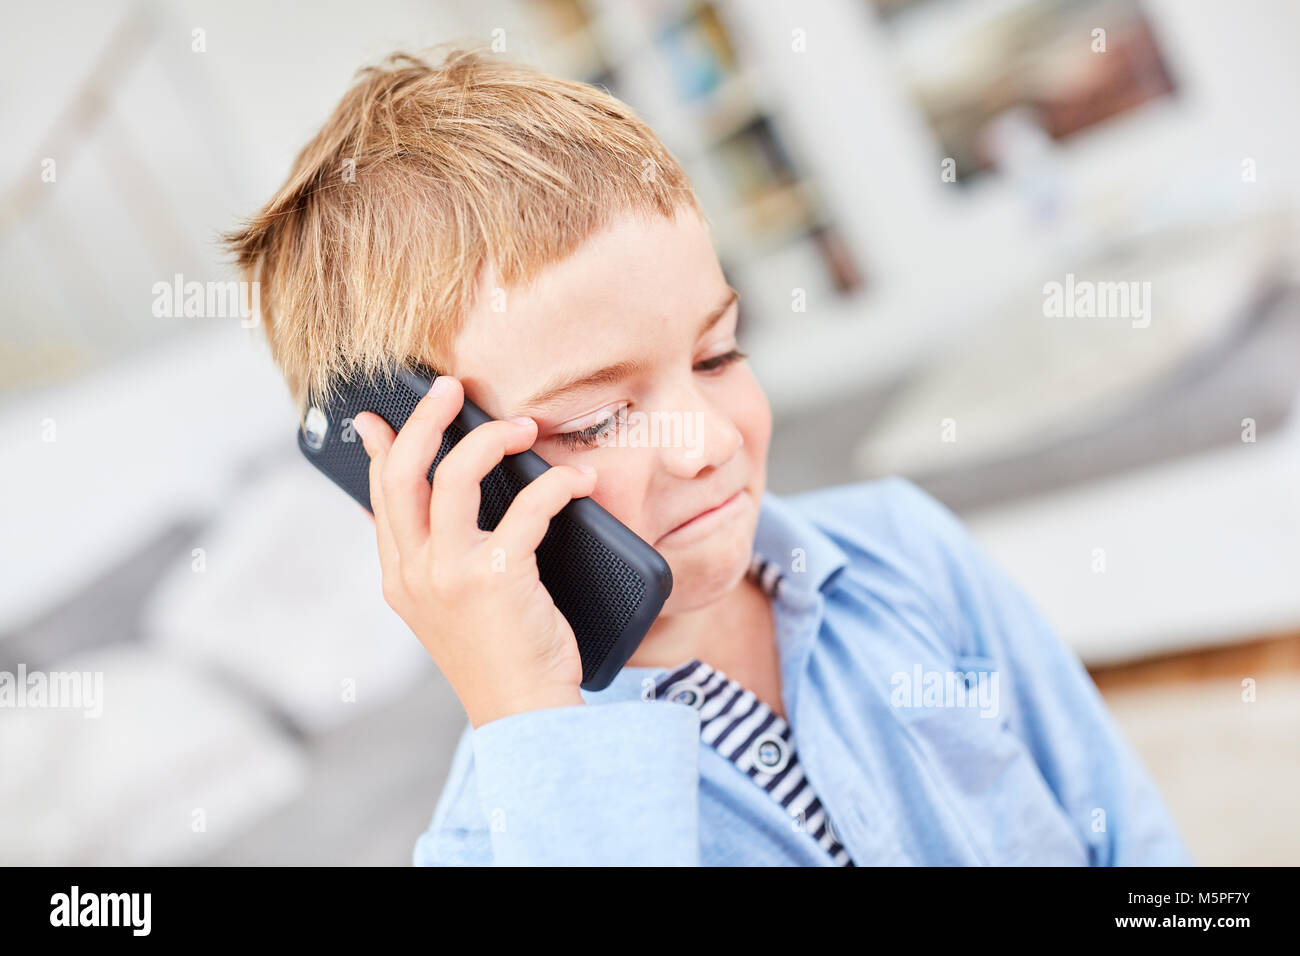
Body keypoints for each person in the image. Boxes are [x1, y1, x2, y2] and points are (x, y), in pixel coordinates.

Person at [224, 46, 1194, 867]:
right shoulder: (502, 832)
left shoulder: (906, 551)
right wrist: (535, 720)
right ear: (430, 487)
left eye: (717, 351)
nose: (713, 439)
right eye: (598, 417)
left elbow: (1125, 831)